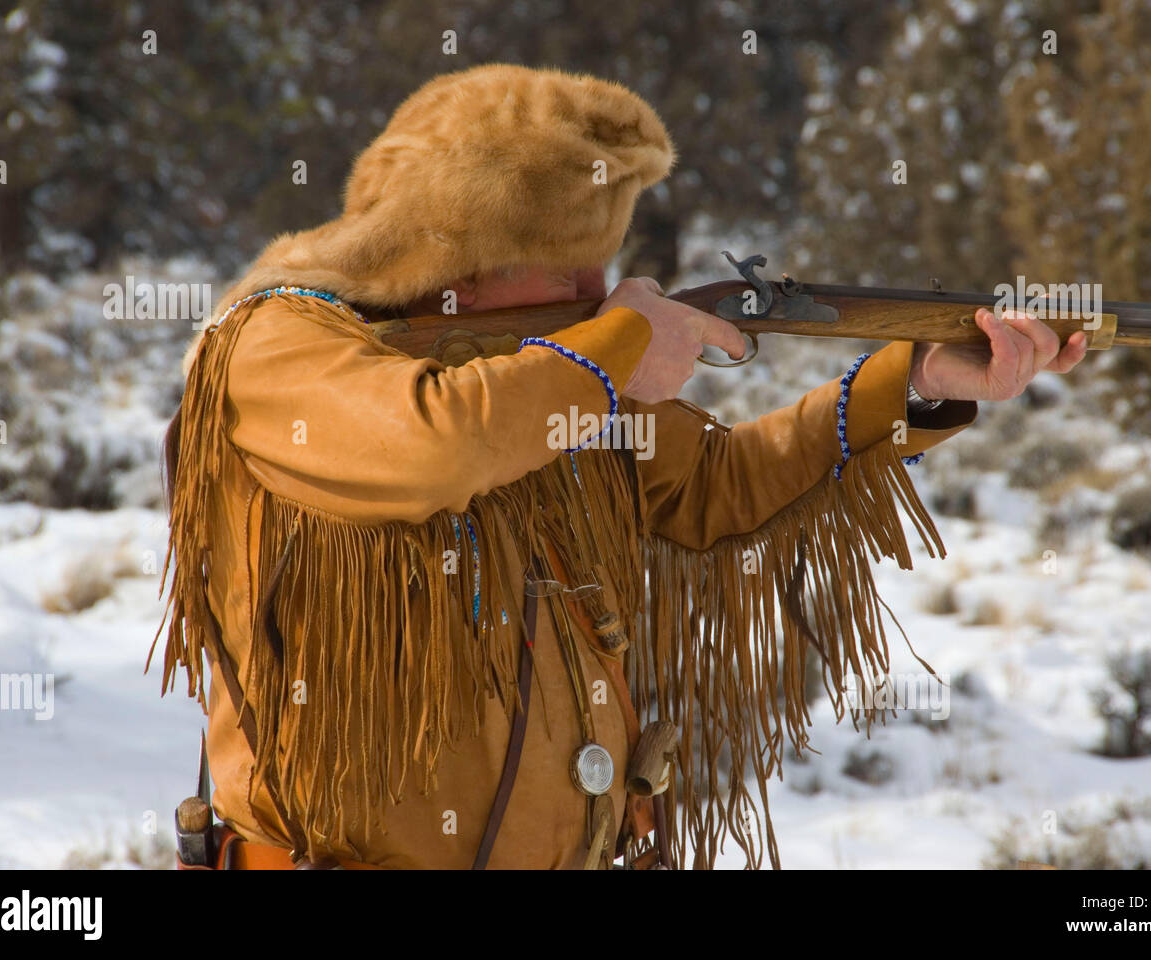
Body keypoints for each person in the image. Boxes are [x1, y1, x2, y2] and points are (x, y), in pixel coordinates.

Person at [155, 63, 1087, 870]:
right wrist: (611, 354)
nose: (595, 296)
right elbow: (436, 446)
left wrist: (916, 378)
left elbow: (719, 489)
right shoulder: (275, 346)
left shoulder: (552, 386)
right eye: (566, 272)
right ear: (460, 264)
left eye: (601, 272)